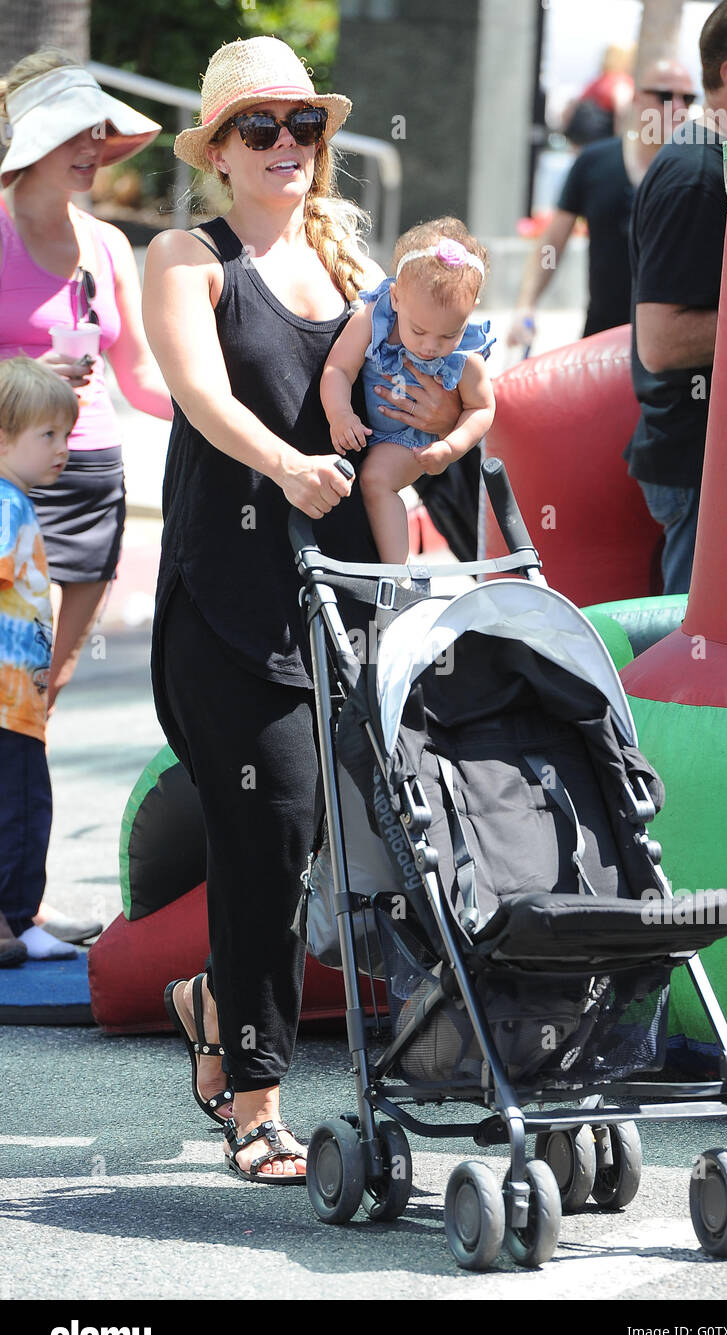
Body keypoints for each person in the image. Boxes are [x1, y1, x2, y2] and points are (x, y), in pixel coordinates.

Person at [142, 37, 462, 1181]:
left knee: (321, 831)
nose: (286, 146)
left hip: (347, 601)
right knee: (268, 821)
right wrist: (284, 465)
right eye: (259, 128)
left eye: (303, 126)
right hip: (228, 606)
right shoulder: (189, 254)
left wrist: (441, 429)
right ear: (218, 150)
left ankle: (216, 997)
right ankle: (256, 1099)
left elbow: (414, 408)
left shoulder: (358, 275)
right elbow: (200, 390)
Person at [0, 50, 173, 716]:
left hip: (93, 477)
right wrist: (20, 379)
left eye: (99, 130)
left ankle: (20, 813)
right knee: (9, 671)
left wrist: (229, 413)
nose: (93, 145)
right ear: (34, 141)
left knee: (51, 678)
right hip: (11, 481)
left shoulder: (105, 244)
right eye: (75, 130)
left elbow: (140, 378)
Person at [624, 0, 727, 595]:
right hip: (694, 459)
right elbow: (664, 341)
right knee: (691, 652)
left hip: (702, 455)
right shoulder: (696, 172)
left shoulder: (711, 160)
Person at [322, 218, 495, 565]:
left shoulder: (465, 356)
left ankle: (395, 572)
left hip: (409, 441)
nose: (431, 346)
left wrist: (450, 447)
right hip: (364, 425)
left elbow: (481, 409)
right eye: (418, 331)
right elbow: (338, 368)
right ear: (396, 297)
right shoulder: (374, 321)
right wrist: (340, 414)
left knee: (375, 480)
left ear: (471, 311)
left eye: (448, 334)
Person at [509, 59, 696, 349]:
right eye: (664, 96)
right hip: (600, 338)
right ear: (636, 99)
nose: (677, 107)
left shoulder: (700, 169)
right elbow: (554, 240)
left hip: (672, 351)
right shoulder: (595, 161)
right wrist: (526, 305)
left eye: (688, 98)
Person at [0, 355, 79, 963]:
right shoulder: (6, 505)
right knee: (23, 807)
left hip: (18, 696)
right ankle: (16, 920)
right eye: (47, 435)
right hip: (7, 702)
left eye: (67, 434)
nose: (62, 448)